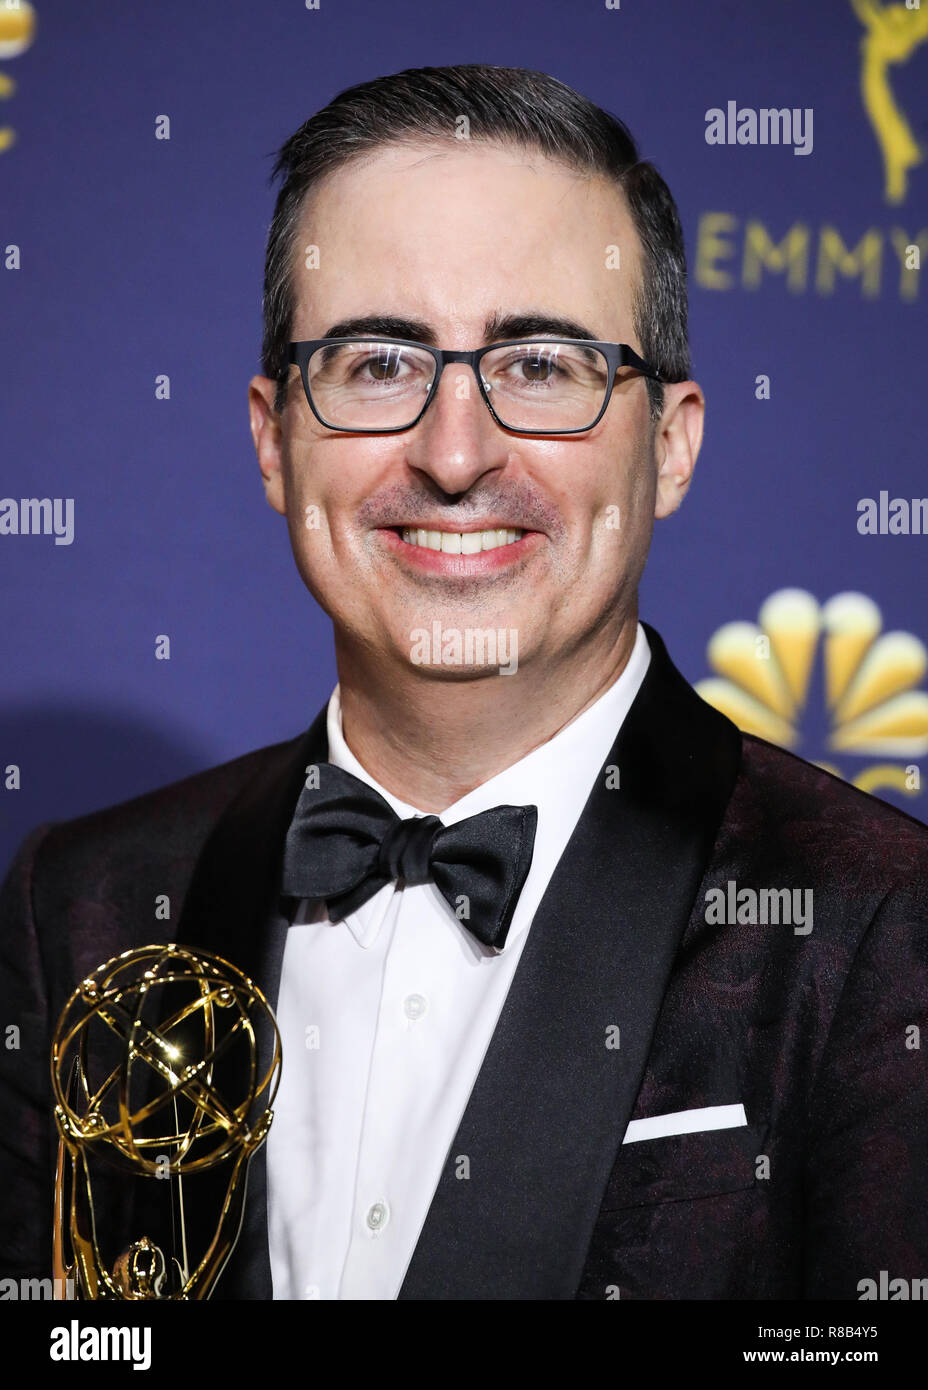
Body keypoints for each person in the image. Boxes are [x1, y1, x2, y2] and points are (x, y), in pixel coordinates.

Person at [1, 63, 926, 1302]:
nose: (453, 452)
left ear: (671, 443)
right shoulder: (82, 905)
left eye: (541, 364)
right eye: (379, 362)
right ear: (276, 439)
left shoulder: (878, 927)